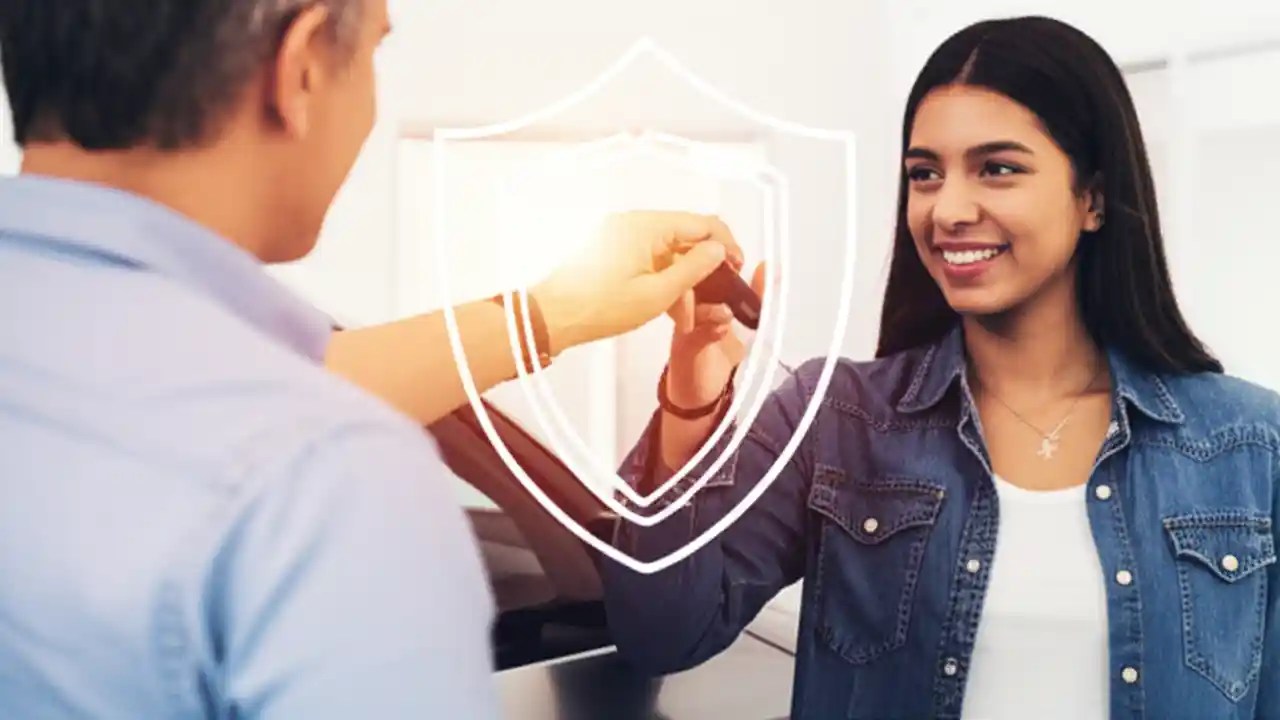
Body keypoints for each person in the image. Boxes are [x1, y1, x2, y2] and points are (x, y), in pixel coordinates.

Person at [0, 0, 741, 718]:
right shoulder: (331, 482)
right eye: (376, 48)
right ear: (302, 69)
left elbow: (206, 404)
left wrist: (550, 313)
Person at [599, 15, 1280, 720]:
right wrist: (693, 390)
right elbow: (662, 632)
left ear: (1094, 199)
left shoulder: (1252, 446)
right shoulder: (833, 419)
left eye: (998, 168)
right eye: (925, 174)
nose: (947, 209)